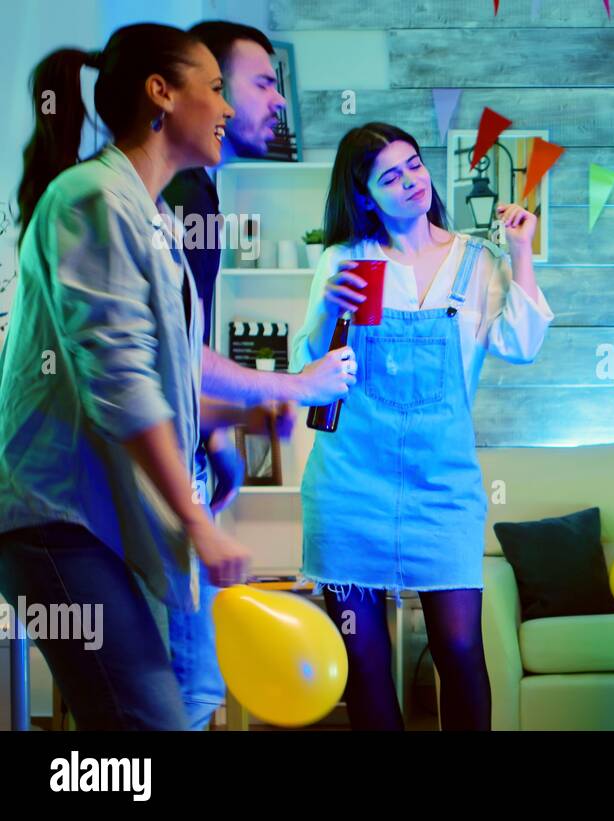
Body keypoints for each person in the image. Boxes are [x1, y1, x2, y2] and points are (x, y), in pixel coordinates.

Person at [0, 24, 261, 729]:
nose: (230, 109)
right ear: (161, 93)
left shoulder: (147, 217)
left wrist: (243, 415)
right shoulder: (92, 197)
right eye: (214, 89)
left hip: (106, 522)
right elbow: (119, 384)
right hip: (58, 523)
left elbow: (160, 381)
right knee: (144, 727)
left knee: (166, 715)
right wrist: (197, 518)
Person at [291, 122, 553, 730]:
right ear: (364, 197)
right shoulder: (343, 260)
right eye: (390, 176)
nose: (411, 181)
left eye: (413, 165)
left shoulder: (477, 260)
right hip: (350, 483)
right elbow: (306, 368)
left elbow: (520, 344)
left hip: (443, 487)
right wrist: (329, 307)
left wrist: (521, 254)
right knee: (362, 655)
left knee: (460, 649)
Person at [161, 19, 355, 731]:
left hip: (179, 469)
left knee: (194, 689)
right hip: (127, 492)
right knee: (182, 694)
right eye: (262, 83)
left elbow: (175, 351)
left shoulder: (200, 195)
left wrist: (213, 429)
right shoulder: (174, 198)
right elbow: (161, 356)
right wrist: (291, 385)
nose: (279, 102)